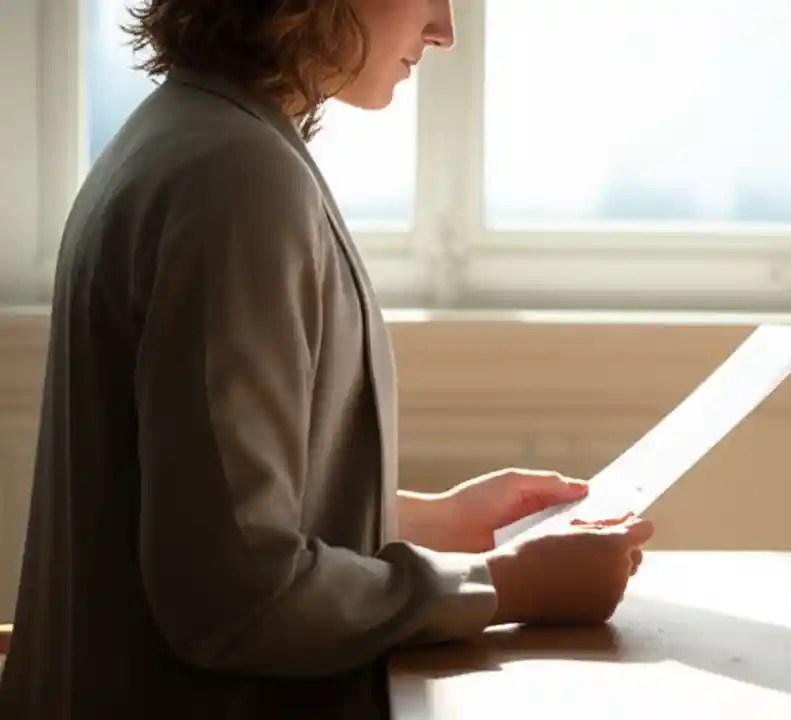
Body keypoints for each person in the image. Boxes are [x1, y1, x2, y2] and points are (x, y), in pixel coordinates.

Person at [0, 0, 654, 717]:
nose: (445, 30)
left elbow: (211, 507)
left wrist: (442, 520)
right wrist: (509, 584)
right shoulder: (237, 178)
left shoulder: (184, 134)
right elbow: (236, 596)